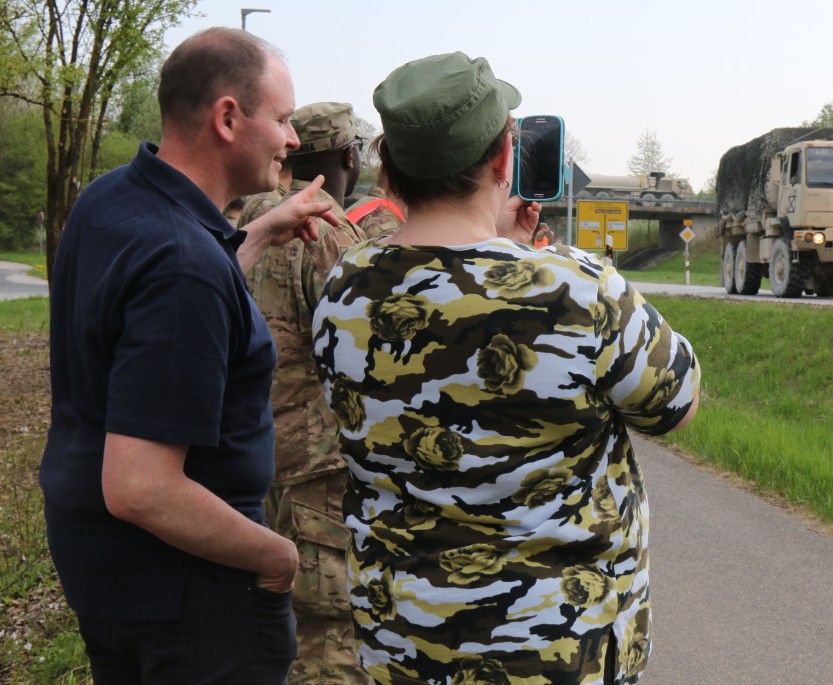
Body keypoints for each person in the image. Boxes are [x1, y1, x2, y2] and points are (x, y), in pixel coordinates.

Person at [311, 52, 701, 685]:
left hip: (403, 650)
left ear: (390, 169)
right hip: (559, 654)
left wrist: (506, 251)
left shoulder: (343, 291)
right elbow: (676, 407)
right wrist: (524, 258)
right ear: (502, 160)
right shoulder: (579, 290)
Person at [40, 27, 340, 684]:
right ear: (228, 118)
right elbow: (142, 487)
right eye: (284, 119)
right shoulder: (185, 264)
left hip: (110, 578)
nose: (293, 140)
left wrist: (258, 230)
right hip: (190, 599)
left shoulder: (111, 199)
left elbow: (167, 298)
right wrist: (276, 554)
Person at [242, 101, 371, 685]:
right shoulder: (322, 227)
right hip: (319, 475)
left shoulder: (244, 218)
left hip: (251, 465)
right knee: (328, 642)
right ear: (350, 155)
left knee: (275, 626)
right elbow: (369, 351)